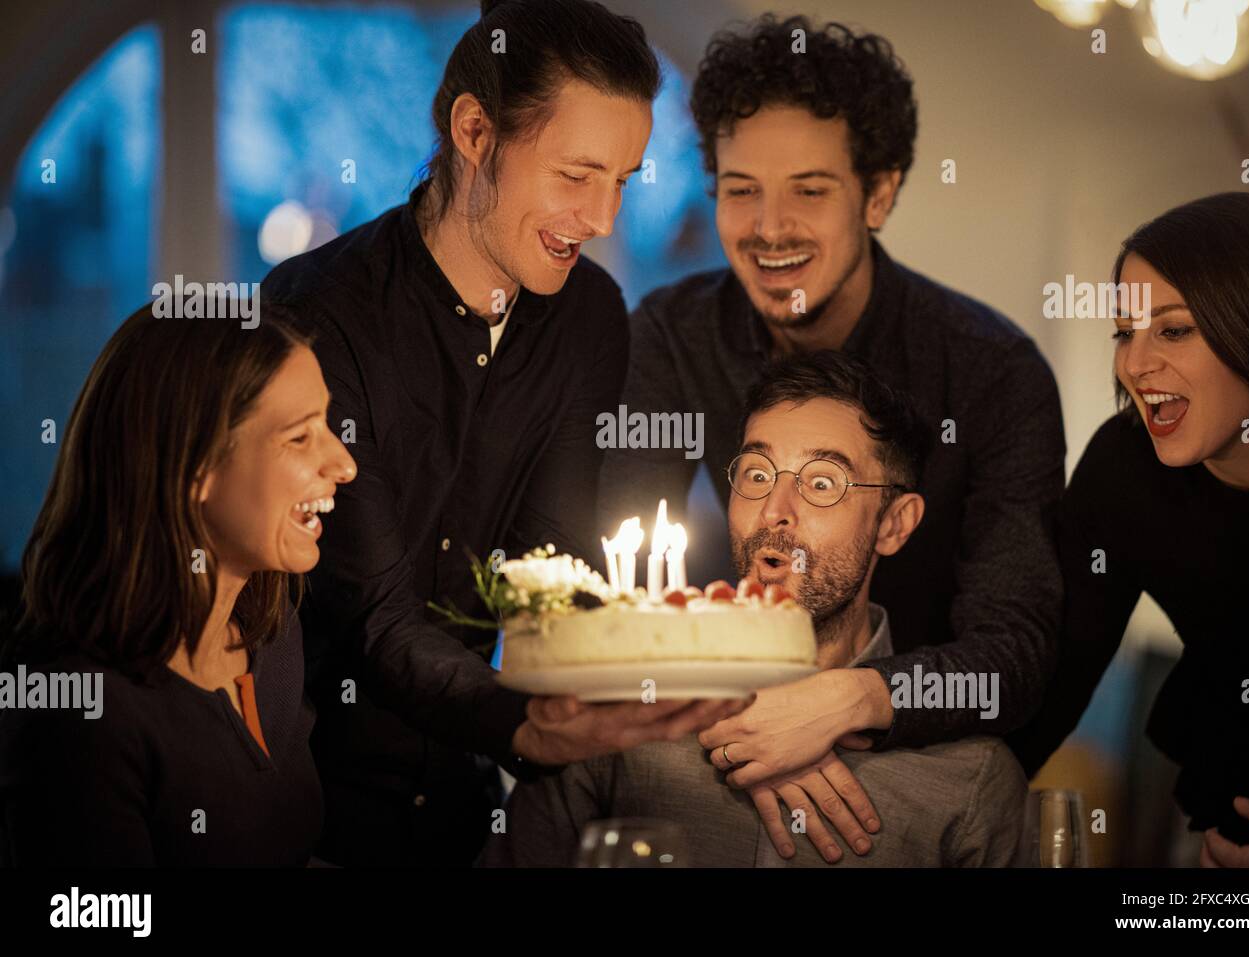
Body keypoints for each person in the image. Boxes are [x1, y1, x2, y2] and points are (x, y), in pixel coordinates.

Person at [259, 0, 743, 866]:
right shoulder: (318, 311)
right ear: (476, 132)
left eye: (623, 180)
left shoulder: (589, 317)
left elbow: (543, 571)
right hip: (306, 810)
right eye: (576, 174)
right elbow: (375, 614)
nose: (602, 218)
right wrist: (524, 723)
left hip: (469, 809)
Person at [598, 14, 1064, 857]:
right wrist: (755, 717)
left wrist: (843, 704)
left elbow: (1015, 653)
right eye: (742, 189)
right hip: (714, 747)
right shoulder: (669, 335)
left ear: (879, 193)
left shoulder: (994, 372)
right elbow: (621, 588)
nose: (769, 227)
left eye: (809, 190)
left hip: (917, 779)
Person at [488, 352, 1029, 867]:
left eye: (822, 483)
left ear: (894, 524)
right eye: (757, 474)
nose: (775, 510)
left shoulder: (971, 780)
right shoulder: (619, 723)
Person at [0, 304, 354, 865]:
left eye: (328, 424)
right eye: (299, 437)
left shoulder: (270, 634)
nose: (343, 462)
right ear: (196, 469)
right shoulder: (82, 717)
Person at [1008, 192, 1249, 868]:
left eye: (1172, 329)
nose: (1135, 365)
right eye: (1124, 332)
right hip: (1215, 827)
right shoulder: (1125, 466)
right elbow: (1052, 679)